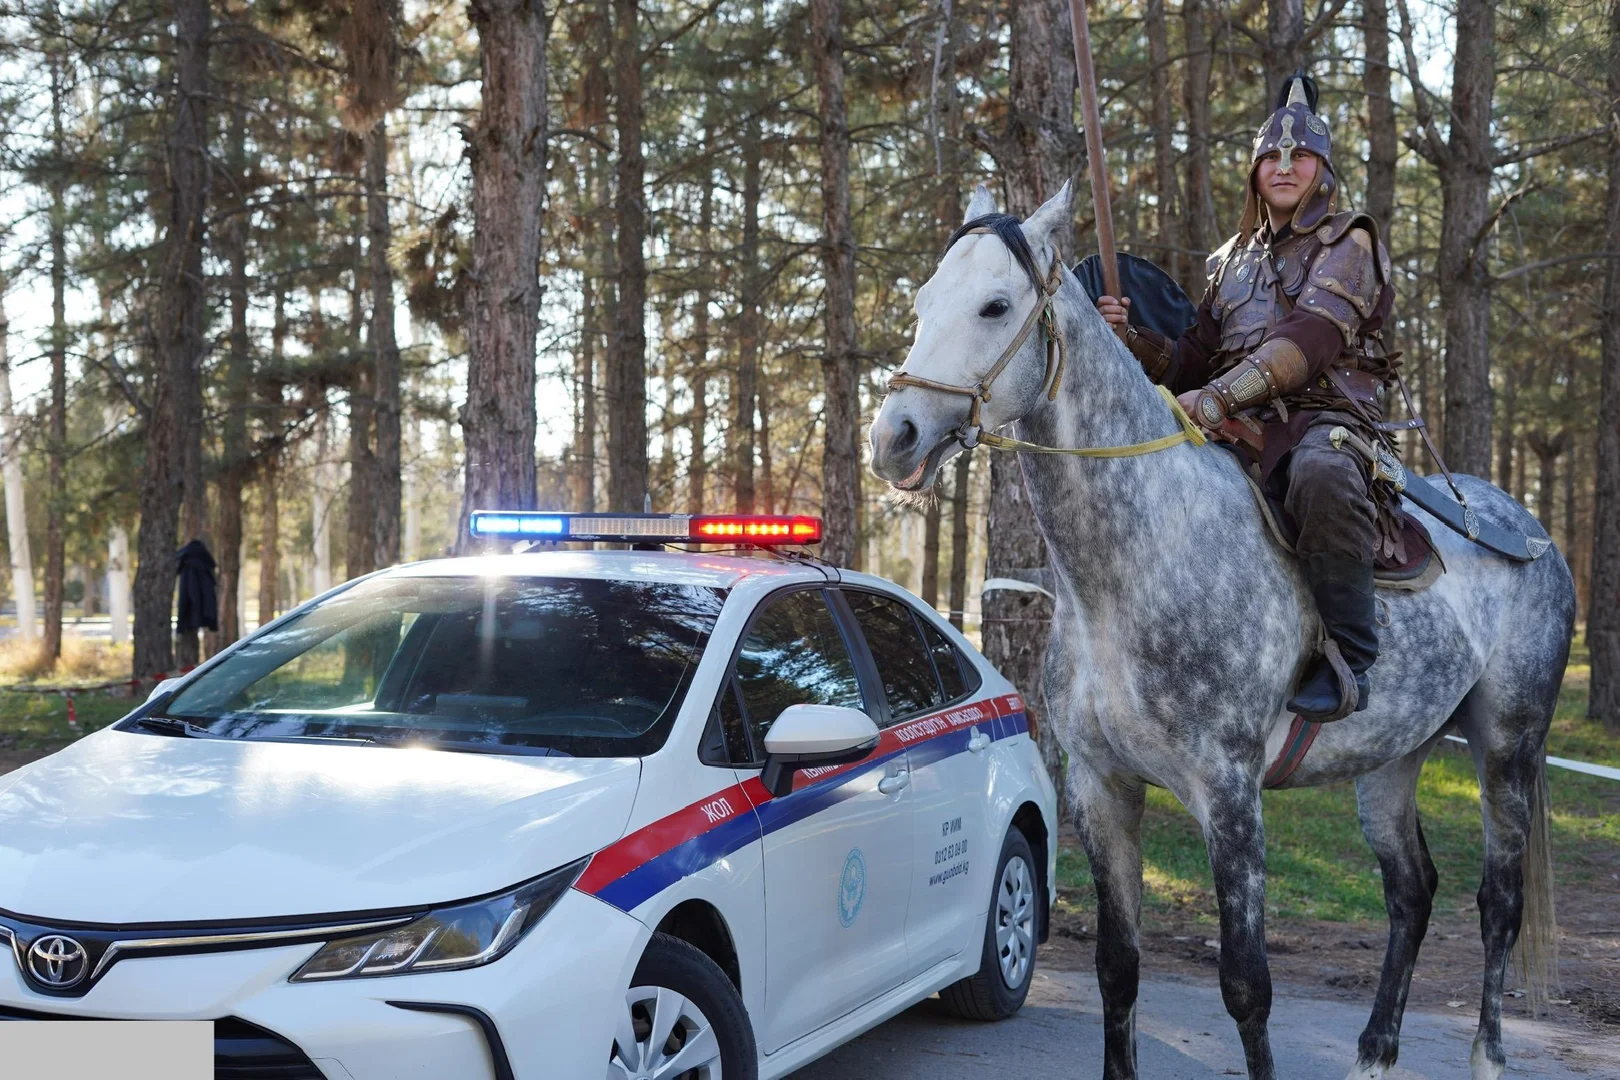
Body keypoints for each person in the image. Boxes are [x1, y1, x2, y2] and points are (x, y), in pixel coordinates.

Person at [1096, 72, 1396, 722]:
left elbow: (1309, 338)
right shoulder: (1230, 262)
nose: (1285, 166)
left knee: (1320, 475)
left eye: (1301, 156)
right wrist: (1135, 342)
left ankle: (1350, 658)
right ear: (1256, 169)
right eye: (1271, 156)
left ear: (1323, 169)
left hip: (1324, 419)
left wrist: (1217, 399)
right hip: (1236, 426)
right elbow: (1193, 357)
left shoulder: (1350, 241)